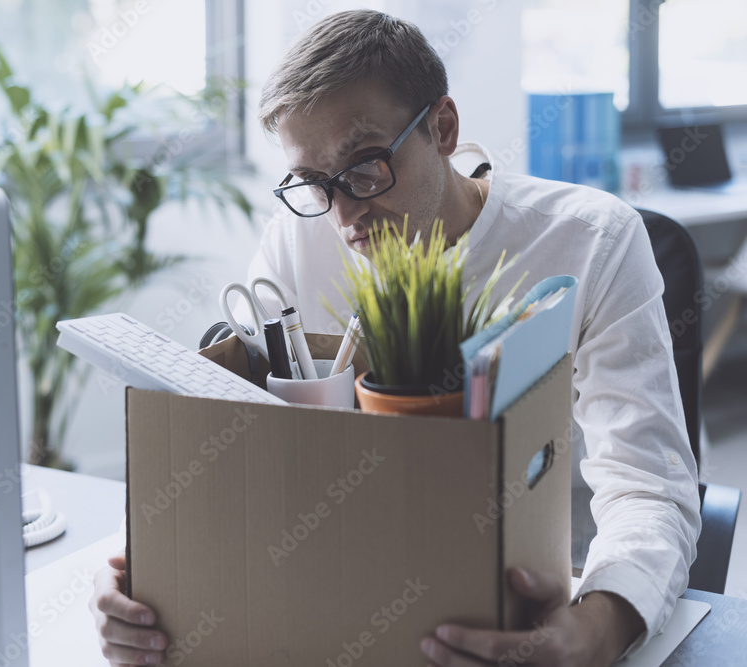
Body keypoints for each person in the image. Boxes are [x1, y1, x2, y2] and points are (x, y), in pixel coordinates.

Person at [90, 9, 701, 666]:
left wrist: (597, 629)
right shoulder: (299, 241)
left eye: (364, 165)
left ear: (442, 128)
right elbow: (240, 447)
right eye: (313, 184)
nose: (346, 214)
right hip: (334, 604)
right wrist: (139, 567)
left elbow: (649, 483)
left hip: (513, 601)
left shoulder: (591, 242)